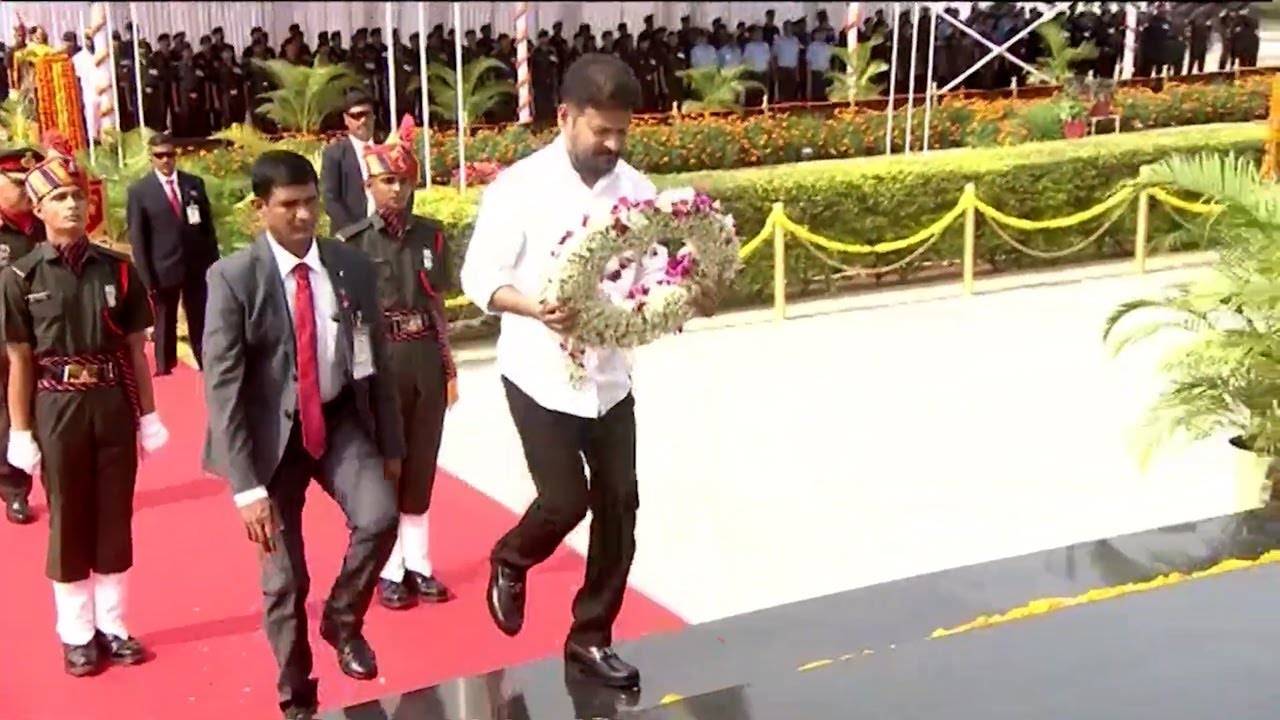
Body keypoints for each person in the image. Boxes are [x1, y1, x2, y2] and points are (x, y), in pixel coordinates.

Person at [459, 53, 719, 689]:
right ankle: (512, 557)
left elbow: (659, 271)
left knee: (620, 504)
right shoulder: (518, 188)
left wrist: (692, 292)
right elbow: (478, 277)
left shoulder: (637, 192)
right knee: (564, 500)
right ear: (565, 117)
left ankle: (590, 636)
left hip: (611, 378)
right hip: (538, 374)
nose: (612, 144)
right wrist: (531, 307)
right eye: (600, 131)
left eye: (621, 132)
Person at [201, 149, 404, 720]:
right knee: (285, 581)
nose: (303, 216)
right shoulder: (233, 279)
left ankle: (343, 618)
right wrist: (246, 490)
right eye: (288, 205)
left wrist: (390, 444)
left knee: (381, 516)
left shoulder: (351, 268)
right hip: (268, 445)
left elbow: (374, 362)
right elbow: (223, 389)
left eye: (310, 202)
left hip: (338, 420)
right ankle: (297, 695)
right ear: (260, 209)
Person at [1, 145, 169, 676]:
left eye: (76, 195)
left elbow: (135, 349)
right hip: (57, 406)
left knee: (114, 514)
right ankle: (76, 633)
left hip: (111, 402)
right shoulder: (21, 278)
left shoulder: (117, 272)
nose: (71, 205)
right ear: (38, 208)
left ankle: (114, 625)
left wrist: (148, 414)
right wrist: (21, 432)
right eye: (58, 197)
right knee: (69, 515)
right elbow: (20, 360)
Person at [336, 115, 457, 610]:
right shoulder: (354, 243)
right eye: (388, 180)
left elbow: (438, 307)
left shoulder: (432, 236)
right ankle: (389, 571)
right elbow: (350, 320)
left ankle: (420, 565)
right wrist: (359, 379)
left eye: (404, 180)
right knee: (389, 462)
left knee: (422, 462)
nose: (398, 189)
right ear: (369, 184)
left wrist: (448, 367)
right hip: (381, 363)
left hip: (424, 356)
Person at [125, 132, 219, 374]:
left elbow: (208, 227)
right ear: (152, 158)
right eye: (160, 156)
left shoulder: (193, 184)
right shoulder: (140, 191)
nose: (166, 160)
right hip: (162, 266)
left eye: (170, 155)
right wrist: (146, 277)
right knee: (165, 320)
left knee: (200, 317)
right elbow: (138, 237)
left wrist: (214, 264)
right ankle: (165, 366)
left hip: (196, 264)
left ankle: (205, 361)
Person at [0, 146, 45, 525]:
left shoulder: (45, 224)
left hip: (42, 336)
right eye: (16, 184)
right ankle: (14, 488)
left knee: (42, 412)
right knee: (5, 416)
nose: (24, 192)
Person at [319, 89, 378, 233]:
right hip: (349, 236)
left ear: (374, 116)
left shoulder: (388, 148)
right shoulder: (334, 154)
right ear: (346, 119)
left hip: (386, 238)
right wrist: (355, 232)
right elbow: (330, 198)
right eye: (356, 116)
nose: (363, 120)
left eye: (366, 114)